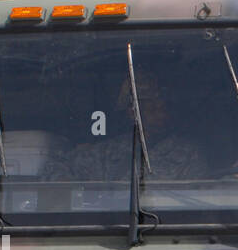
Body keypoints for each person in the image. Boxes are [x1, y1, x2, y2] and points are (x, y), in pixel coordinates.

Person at [44, 75, 205, 184]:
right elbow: (58, 166)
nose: (161, 115)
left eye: (165, 108)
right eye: (153, 110)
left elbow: (198, 194)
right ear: (133, 113)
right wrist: (64, 185)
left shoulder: (187, 153)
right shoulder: (108, 151)